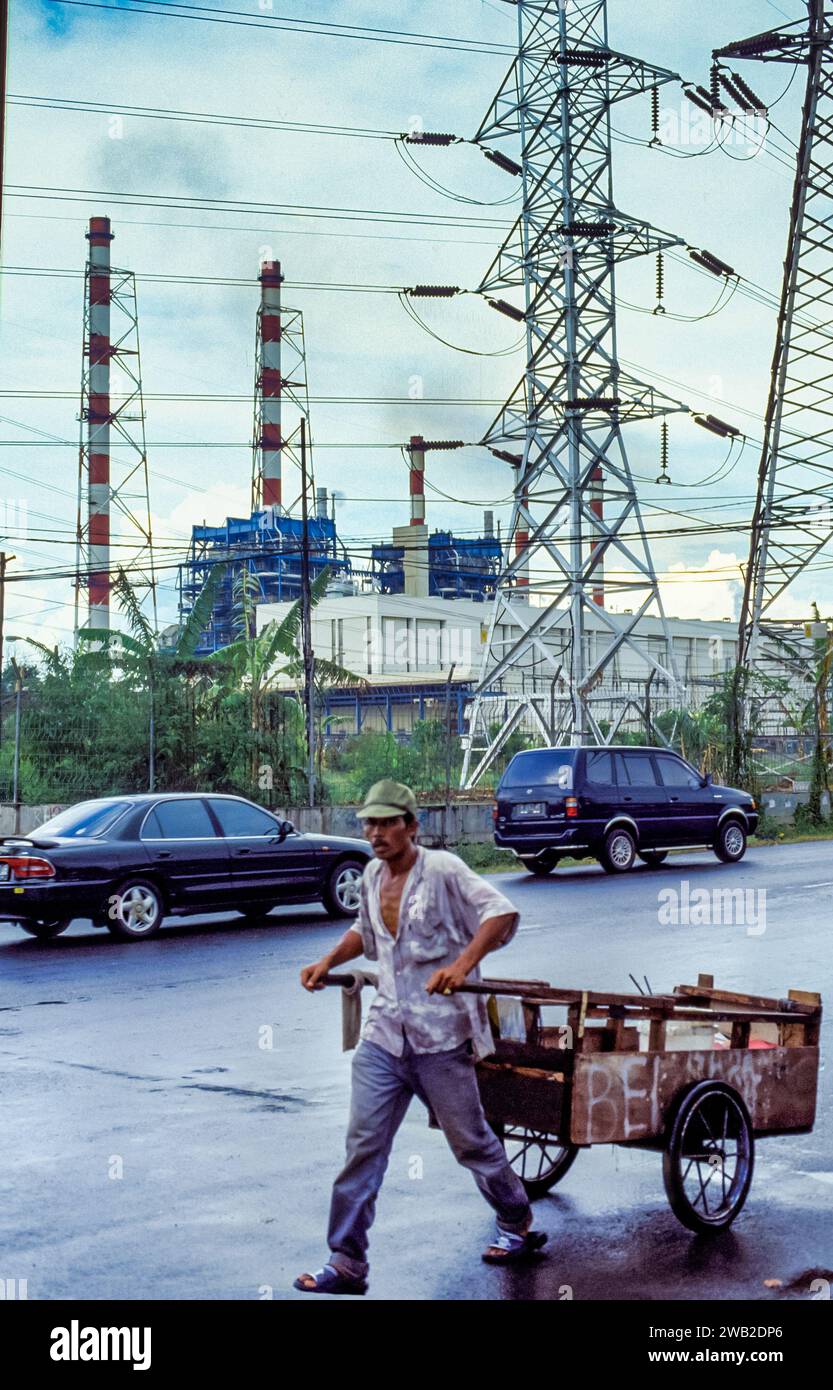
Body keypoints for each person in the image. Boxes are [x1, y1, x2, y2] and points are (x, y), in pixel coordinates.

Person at [294, 778, 545, 1295]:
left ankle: (517, 1219)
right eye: (370, 822)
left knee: (471, 1143)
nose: (377, 832)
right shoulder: (368, 875)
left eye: (388, 822)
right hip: (385, 1035)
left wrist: (463, 963)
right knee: (363, 1147)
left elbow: (501, 913)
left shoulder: (444, 871)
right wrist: (326, 961)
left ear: (412, 825)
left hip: (441, 1037)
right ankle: (346, 1261)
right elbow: (365, 934)